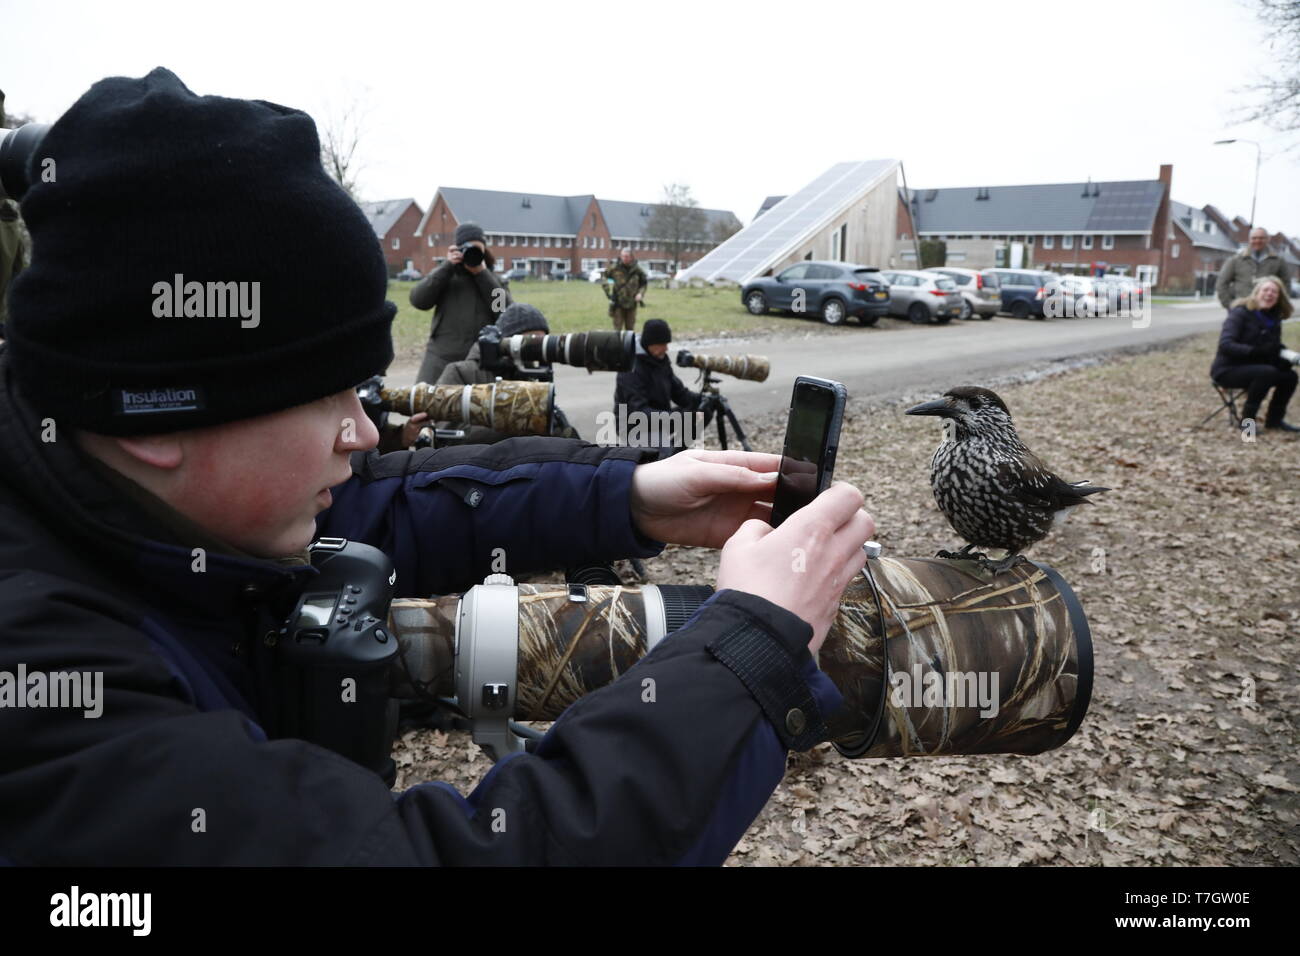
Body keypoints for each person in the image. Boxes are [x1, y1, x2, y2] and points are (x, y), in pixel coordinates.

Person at [0, 68, 875, 865]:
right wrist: (749, 649)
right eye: (332, 395)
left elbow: (391, 507)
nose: (364, 431)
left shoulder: (128, 490)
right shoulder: (48, 692)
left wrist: (631, 497)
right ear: (163, 413)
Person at [409, 221, 511, 385]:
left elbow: (503, 311)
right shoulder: (446, 276)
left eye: (477, 250)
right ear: (457, 250)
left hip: (479, 359)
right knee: (424, 405)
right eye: (467, 249)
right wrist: (447, 266)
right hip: (440, 356)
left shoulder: (493, 280)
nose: (472, 253)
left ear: (484, 251)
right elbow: (419, 300)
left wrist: (482, 274)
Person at [1211, 275, 1300, 432]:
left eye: (1275, 292)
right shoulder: (1240, 313)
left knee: (1289, 376)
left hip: (1254, 367)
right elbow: (1226, 345)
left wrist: (1283, 359)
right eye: (1266, 290)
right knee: (1267, 373)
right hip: (1227, 369)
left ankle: (1274, 421)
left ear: (1279, 298)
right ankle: (1247, 425)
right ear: (1256, 293)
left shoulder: (1274, 318)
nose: (1270, 294)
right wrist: (1255, 352)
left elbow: (1271, 348)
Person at [613, 319, 702, 451]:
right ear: (650, 344)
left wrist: (700, 400)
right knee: (665, 450)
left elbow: (678, 392)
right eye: (662, 344)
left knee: (696, 415)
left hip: (658, 419)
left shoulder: (660, 359)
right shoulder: (630, 368)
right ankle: (667, 460)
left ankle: (676, 455)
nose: (666, 348)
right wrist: (678, 418)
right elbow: (640, 413)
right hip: (634, 426)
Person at [1216, 227, 1292, 308]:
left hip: (1269, 309)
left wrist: (1281, 306)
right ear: (1249, 239)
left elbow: (1286, 284)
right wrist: (1229, 304)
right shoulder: (1236, 260)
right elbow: (1222, 283)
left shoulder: (1278, 261)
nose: (1257, 241)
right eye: (1254, 238)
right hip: (1241, 308)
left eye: (1261, 238)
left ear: (1268, 239)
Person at [605, 247, 647, 332]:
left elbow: (644, 283)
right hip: (618, 303)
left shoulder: (637, 270)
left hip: (632, 303)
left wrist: (640, 294)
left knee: (630, 330)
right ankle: (617, 345)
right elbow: (604, 277)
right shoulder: (614, 268)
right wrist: (607, 290)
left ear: (631, 257)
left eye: (627, 256)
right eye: (623, 256)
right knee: (617, 330)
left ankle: (629, 345)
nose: (624, 258)